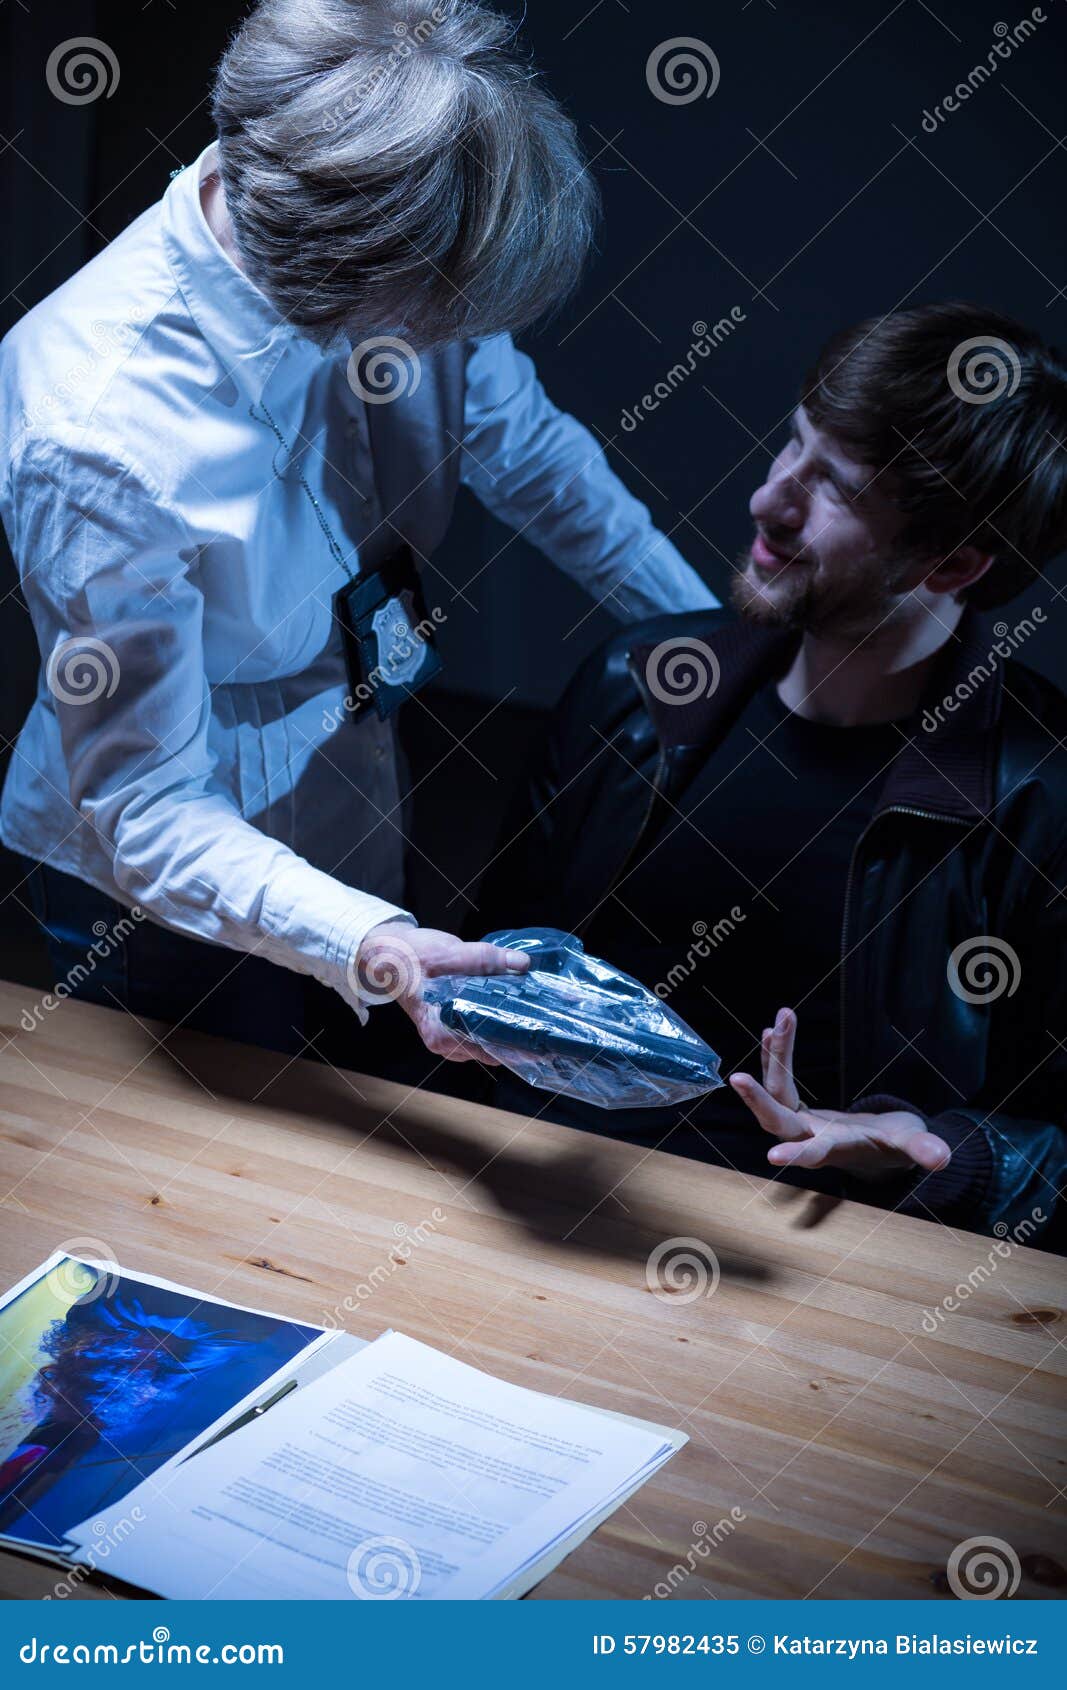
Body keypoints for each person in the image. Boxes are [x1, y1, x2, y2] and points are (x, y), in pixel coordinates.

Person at [0, 0, 716, 1064]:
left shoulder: (404, 242)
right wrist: (365, 936)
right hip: (164, 883)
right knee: (218, 1187)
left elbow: (532, 456)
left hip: (355, 776)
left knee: (383, 1111)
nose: (459, 344)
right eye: (438, 321)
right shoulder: (96, 430)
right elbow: (145, 807)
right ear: (346, 273)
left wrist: (718, 645)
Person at [475, 303, 1067, 1246]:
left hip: (817, 1277)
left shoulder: (1041, 803)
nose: (768, 501)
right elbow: (480, 978)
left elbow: (1049, 1155)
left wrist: (947, 1154)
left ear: (951, 564)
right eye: (792, 445)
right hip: (526, 1212)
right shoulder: (634, 689)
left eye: (831, 487)